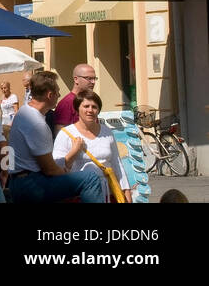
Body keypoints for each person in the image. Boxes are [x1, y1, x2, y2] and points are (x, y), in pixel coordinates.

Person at [7, 70, 105, 203]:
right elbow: (50, 169)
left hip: (18, 181)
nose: (59, 95)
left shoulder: (24, 111)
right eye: (57, 92)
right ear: (49, 95)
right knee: (90, 178)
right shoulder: (37, 123)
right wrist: (67, 174)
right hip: (30, 184)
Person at [51, 89, 131, 203]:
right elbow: (57, 167)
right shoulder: (66, 134)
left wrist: (126, 191)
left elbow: (117, 164)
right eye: (86, 106)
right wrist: (74, 152)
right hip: (78, 195)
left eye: (94, 107)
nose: (90, 110)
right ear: (77, 109)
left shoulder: (107, 131)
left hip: (108, 193)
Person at [53, 63, 97, 133]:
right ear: (76, 79)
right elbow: (60, 134)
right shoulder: (67, 103)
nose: (93, 82)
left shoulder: (91, 100)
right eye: (89, 78)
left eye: (94, 78)